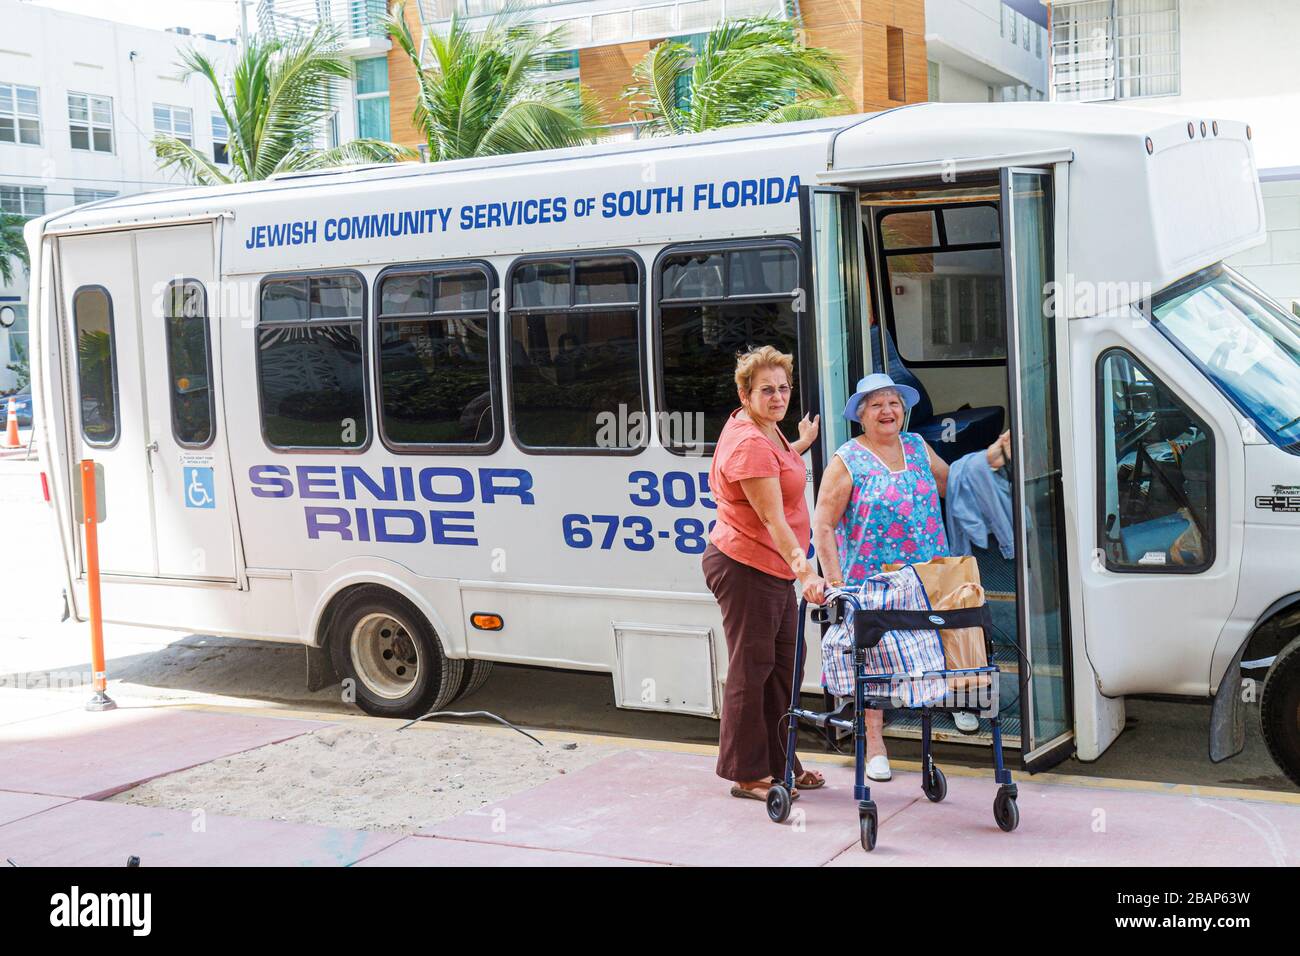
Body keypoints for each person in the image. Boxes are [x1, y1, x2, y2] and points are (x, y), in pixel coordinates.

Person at [811, 373, 1010, 781]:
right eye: (877, 405)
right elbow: (824, 524)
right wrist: (834, 583)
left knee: (941, 639)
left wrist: (987, 461)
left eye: (894, 403)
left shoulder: (917, 446)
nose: (888, 411)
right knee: (877, 660)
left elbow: (953, 484)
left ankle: (956, 702)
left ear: (904, 411)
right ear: (861, 415)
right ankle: (875, 744)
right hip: (874, 580)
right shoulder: (847, 459)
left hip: (928, 572)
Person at [702, 345, 826, 804]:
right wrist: (806, 572)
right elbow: (773, 518)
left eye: (784, 388)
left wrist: (799, 445)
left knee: (783, 670)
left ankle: (782, 762)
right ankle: (748, 773)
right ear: (744, 392)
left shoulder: (765, 429)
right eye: (767, 390)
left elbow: (775, 469)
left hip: (770, 569)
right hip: (746, 567)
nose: (778, 397)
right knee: (752, 671)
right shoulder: (750, 442)